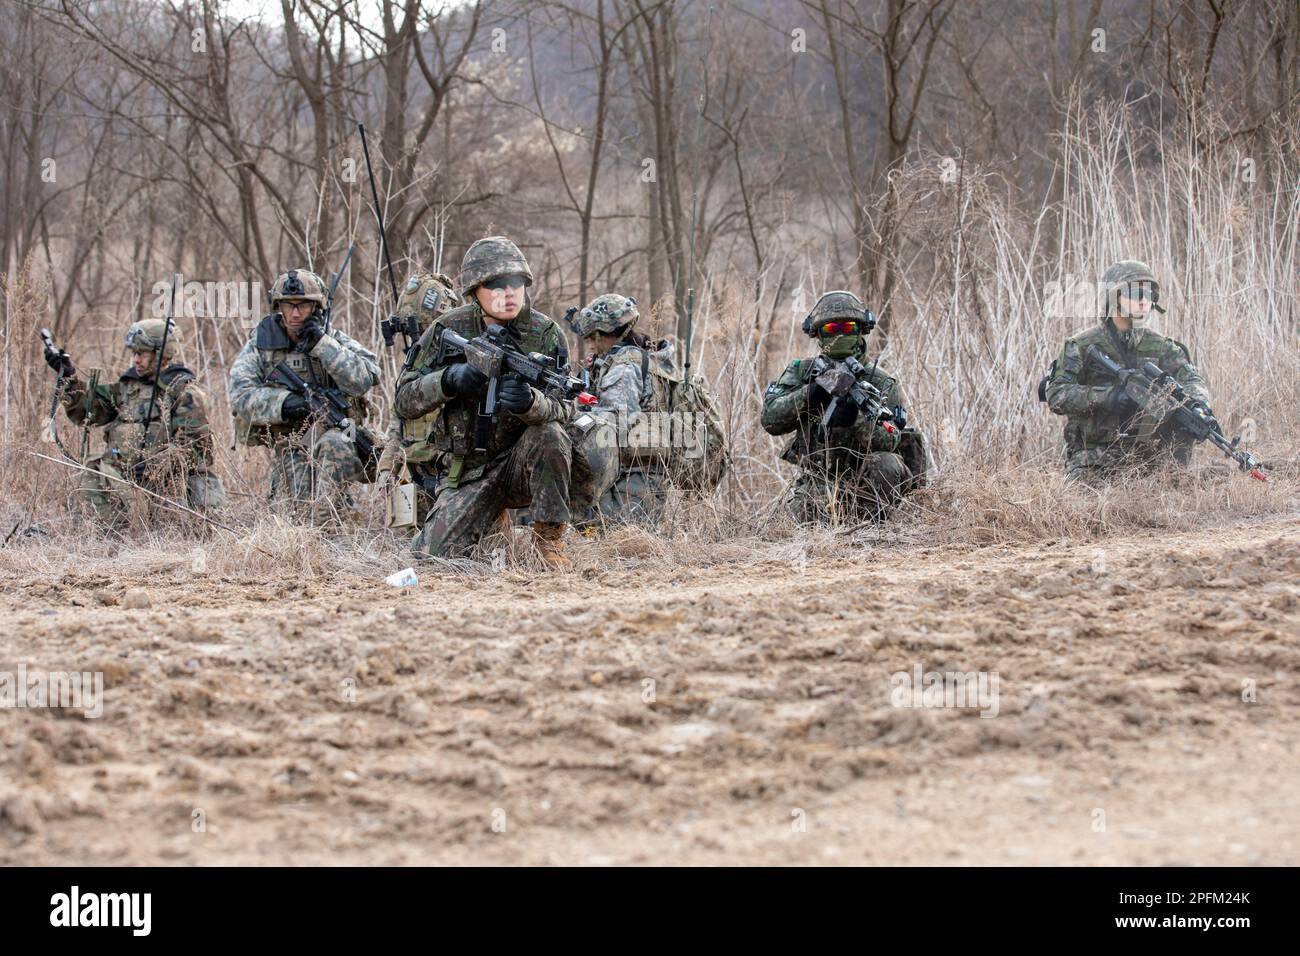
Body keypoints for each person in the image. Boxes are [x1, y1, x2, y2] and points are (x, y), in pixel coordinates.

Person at [394, 236, 612, 568]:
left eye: (515, 284)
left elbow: (566, 405)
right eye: (495, 285)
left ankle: (549, 540)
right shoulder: (447, 328)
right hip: (469, 471)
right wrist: (449, 379)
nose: (508, 293)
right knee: (429, 561)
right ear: (474, 291)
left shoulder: (545, 333)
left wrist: (531, 404)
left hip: (521, 464)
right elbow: (404, 400)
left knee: (551, 434)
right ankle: (494, 518)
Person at [1044, 260, 1215, 482]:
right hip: (1095, 457)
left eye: (1149, 294)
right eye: (1136, 293)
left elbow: (1191, 379)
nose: (1144, 301)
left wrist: (1198, 405)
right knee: (1086, 499)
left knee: (1175, 480)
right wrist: (1108, 397)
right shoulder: (1081, 346)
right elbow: (1056, 395)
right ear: (1114, 298)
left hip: (1151, 458)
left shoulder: (1163, 347)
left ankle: (1176, 476)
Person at [229, 268, 380, 519]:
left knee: (336, 445)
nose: (295, 313)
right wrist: (287, 403)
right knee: (294, 513)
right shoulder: (263, 343)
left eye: (303, 306)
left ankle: (331, 523)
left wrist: (323, 345)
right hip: (292, 442)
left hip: (338, 433)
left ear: (317, 308)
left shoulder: (331, 338)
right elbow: (240, 394)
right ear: (279, 306)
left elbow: (365, 377)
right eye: (289, 306)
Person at [44, 318, 226, 524]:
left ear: (160, 354)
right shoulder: (129, 388)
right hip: (124, 485)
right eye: (134, 354)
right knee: (91, 471)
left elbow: (199, 450)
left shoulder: (183, 393)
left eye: (142, 354)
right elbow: (89, 412)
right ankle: (104, 531)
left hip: (168, 492)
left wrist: (154, 465)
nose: (136, 360)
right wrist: (68, 377)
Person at [761, 291, 921, 524]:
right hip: (819, 481)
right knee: (803, 521)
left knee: (886, 463)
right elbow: (770, 419)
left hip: (865, 481)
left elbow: (892, 440)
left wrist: (856, 420)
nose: (839, 334)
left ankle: (872, 531)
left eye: (847, 328)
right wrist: (810, 394)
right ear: (818, 334)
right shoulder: (801, 372)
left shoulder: (880, 381)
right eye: (830, 329)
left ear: (860, 330)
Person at [571, 292, 675, 524]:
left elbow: (612, 426)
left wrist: (573, 416)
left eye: (590, 339)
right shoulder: (642, 355)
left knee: (580, 525)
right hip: (641, 476)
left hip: (632, 480)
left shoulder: (625, 368)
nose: (589, 347)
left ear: (602, 335)